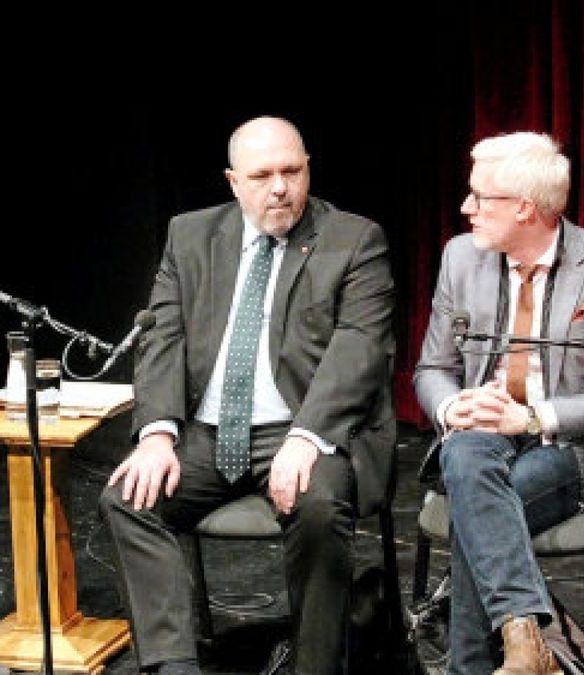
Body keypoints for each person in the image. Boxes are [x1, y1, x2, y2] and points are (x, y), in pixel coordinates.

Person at [99, 116, 396, 675]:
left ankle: (315, 666)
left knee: (318, 503)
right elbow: (164, 335)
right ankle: (173, 665)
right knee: (127, 500)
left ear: (308, 169)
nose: (280, 187)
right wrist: (159, 432)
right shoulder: (190, 236)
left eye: (291, 171)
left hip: (302, 427)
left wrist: (308, 437)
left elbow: (359, 348)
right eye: (262, 175)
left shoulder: (354, 240)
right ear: (234, 182)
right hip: (208, 434)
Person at [413, 132, 584, 675]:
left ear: (525, 208)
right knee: (465, 457)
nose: (465, 208)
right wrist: (455, 408)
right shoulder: (460, 258)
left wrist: (529, 417)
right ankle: (523, 643)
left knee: (485, 502)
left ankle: (476, 666)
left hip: (576, 443)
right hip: (485, 434)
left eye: (480, 197)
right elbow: (433, 369)